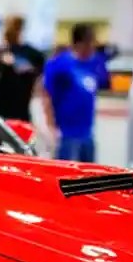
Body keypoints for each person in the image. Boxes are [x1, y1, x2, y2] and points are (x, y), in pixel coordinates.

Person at [39, 23, 110, 162]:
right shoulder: (61, 64)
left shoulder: (93, 63)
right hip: (67, 133)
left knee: (90, 175)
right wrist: (51, 126)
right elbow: (47, 94)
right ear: (80, 43)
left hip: (87, 132)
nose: (92, 47)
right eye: (89, 42)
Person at [0, 15, 44, 122]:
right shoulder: (2, 52)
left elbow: (37, 73)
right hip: (1, 109)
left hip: (20, 109)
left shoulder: (33, 54)